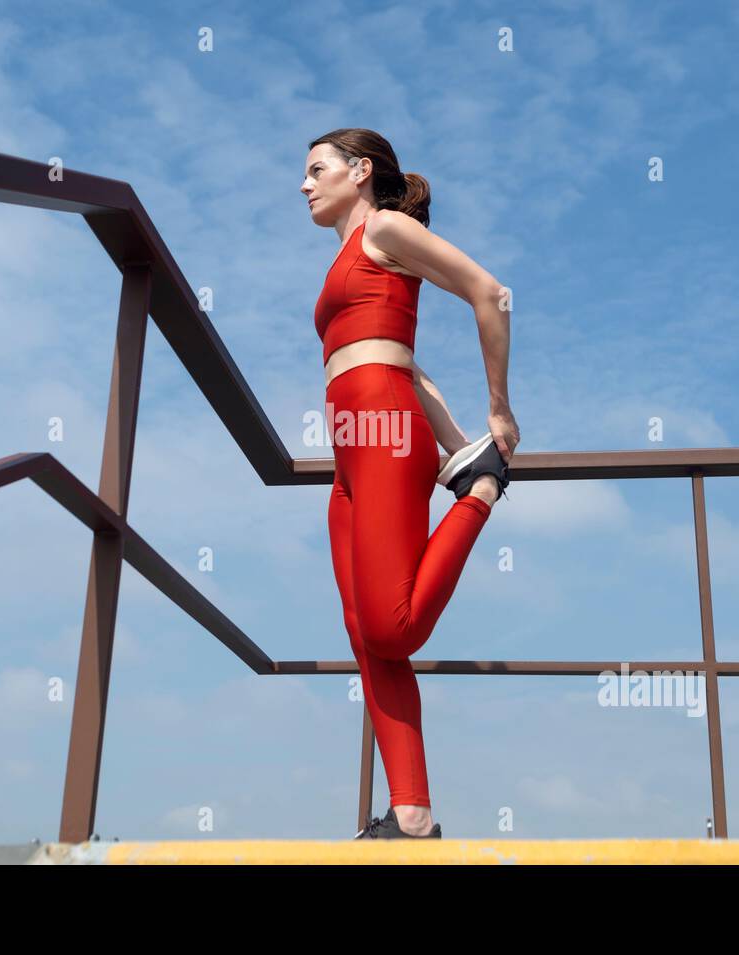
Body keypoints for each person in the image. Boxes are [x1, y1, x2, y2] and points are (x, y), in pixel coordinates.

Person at [302, 128, 520, 838]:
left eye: (316, 170)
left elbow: (490, 292)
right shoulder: (343, 255)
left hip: (387, 437)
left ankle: (481, 495)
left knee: (394, 626)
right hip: (349, 453)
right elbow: (406, 360)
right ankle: (412, 812)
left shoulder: (387, 229)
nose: (304, 185)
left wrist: (497, 412)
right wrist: (455, 441)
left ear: (360, 172)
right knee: (365, 635)